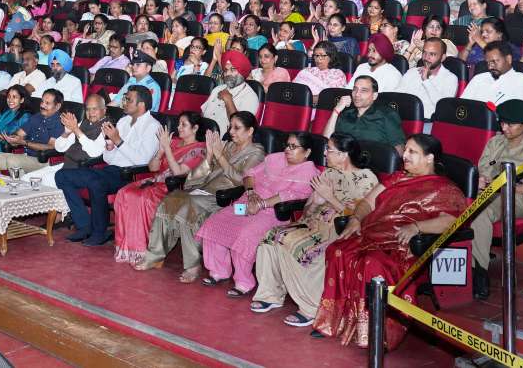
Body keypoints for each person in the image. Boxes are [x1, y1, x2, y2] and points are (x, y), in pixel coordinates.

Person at [311, 134, 469, 347]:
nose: (405, 155)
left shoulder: (444, 188)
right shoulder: (396, 178)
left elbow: (450, 221)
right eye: (406, 150)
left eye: (412, 152)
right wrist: (356, 218)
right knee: (337, 250)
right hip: (372, 233)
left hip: (402, 243)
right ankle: (335, 321)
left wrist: (416, 227)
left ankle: (374, 331)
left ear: (429, 158)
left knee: (371, 263)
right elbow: (368, 202)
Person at [252, 133, 379, 327]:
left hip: (340, 230)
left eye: (330, 150)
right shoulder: (327, 173)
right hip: (314, 223)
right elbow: (308, 209)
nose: (325, 153)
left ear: (344, 155)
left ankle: (311, 307)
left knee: (295, 245)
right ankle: (271, 294)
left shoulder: (366, 179)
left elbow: (360, 217)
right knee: (273, 235)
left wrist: (330, 198)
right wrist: (315, 203)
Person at [138, 112, 264, 281]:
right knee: (169, 201)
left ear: (250, 131)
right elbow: (206, 170)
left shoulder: (256, 152)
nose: (231, 131)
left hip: (225, 198)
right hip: (203, 190)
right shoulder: (226, 146)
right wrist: (211, 156)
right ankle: (154, 254)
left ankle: (193, 265)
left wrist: (218, 155)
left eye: (237, 128)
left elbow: (241, 179)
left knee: (187, 208)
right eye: (230, 127)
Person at [196, 132, 318, 297]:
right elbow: (249, 174)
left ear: (307, 152)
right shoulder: (275, 158)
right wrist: (252, 192)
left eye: (294, 147)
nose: (288, 150)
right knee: (217, 221)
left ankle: (243, 281)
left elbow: (290, 195)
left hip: (271, 213)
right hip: (245, 205)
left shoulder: (309, 173)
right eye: (287, 145)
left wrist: (262, 204)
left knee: (245, 233)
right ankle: (219, 270)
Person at [468, 99, 523, 300]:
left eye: (510, 124)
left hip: (522, 199)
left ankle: (478, 273)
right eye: (502, 123)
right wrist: (482, 180)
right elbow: (483, 169)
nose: (504, 127)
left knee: (480, 212)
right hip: (493, 193)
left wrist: (505, 187)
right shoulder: (496, 142)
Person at [56, 85, 159, 247]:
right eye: (124, 99)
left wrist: (118, 141)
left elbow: (143, 160)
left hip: (130, 175)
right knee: (62, 176)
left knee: (96, 183)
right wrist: (110, 148)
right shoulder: (124, 121)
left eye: (128, 100)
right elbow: (109, 157)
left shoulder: (153, 126)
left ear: (141, 104)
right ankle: (85, 225)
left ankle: (100, 232)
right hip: (110, 170)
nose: (124, 102)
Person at [113, 111, 208, 264]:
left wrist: (167, 148)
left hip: (175, 188)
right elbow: (152, 167)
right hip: (156, 180)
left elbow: (177, 172)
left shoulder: (199, 149)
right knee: (124, 193)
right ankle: (127, 248)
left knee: (141, 198)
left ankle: (144, 250)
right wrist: (161, 151)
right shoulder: (173, 141)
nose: (179, 127)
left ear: (195, 128)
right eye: (179, 124)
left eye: (184, 125)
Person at [0, 88, 66, 172]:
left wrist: (24, 143)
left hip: (42, 161)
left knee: (13, 161)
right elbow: (19, 134)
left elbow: (50, 147)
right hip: (25, 155)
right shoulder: (36, 117)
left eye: (47, 103)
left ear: (57, 106)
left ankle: (19, 185)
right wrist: (13, 139)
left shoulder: (60, 122)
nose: (42, 105)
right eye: (42, 101)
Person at [323, 76, 404, 150]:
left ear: (374, 96)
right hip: (342, 162)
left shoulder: (387, 115)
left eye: (363, 90)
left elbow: (398, 149)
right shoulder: (345, 114)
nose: (357, 94)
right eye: (355, 89)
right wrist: (336, 111)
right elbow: (326, 142)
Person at [395, 37, 458, 120]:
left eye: (432, 54)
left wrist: (426, 80)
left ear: (442, 58)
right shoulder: (412, 72)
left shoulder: (450, 78)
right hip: (403, 119)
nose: (426, 57)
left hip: (428, 123)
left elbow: (443, 108)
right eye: (424, 53)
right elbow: (396, 97)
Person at [201, 49, 260, 134]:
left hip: (226, 143)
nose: (228, 74)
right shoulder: (217, 89)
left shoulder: (250, 97)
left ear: (242, 72)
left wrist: (228, 99)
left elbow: (240, 128)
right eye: (226, 70)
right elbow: (202, 114)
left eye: (233, 69)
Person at [460, 41, 523, 105]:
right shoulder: (478, 78)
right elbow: (462, 104)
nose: (490, 67)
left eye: (494, 62)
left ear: (508, 59)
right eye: (488, 63)